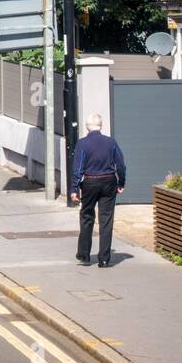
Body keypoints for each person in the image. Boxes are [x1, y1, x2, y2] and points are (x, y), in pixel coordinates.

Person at [70, 113, 126, 268]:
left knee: (87, 216)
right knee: (106, 220)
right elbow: (121, 165)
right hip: (109, 181)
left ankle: (84, 254)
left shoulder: (83, 143)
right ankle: (104, 259)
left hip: (90, 182)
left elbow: (78, 168)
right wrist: (121, 182)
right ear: (101, 126)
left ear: (87, 127)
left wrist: (74, 189)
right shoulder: (111, 142)